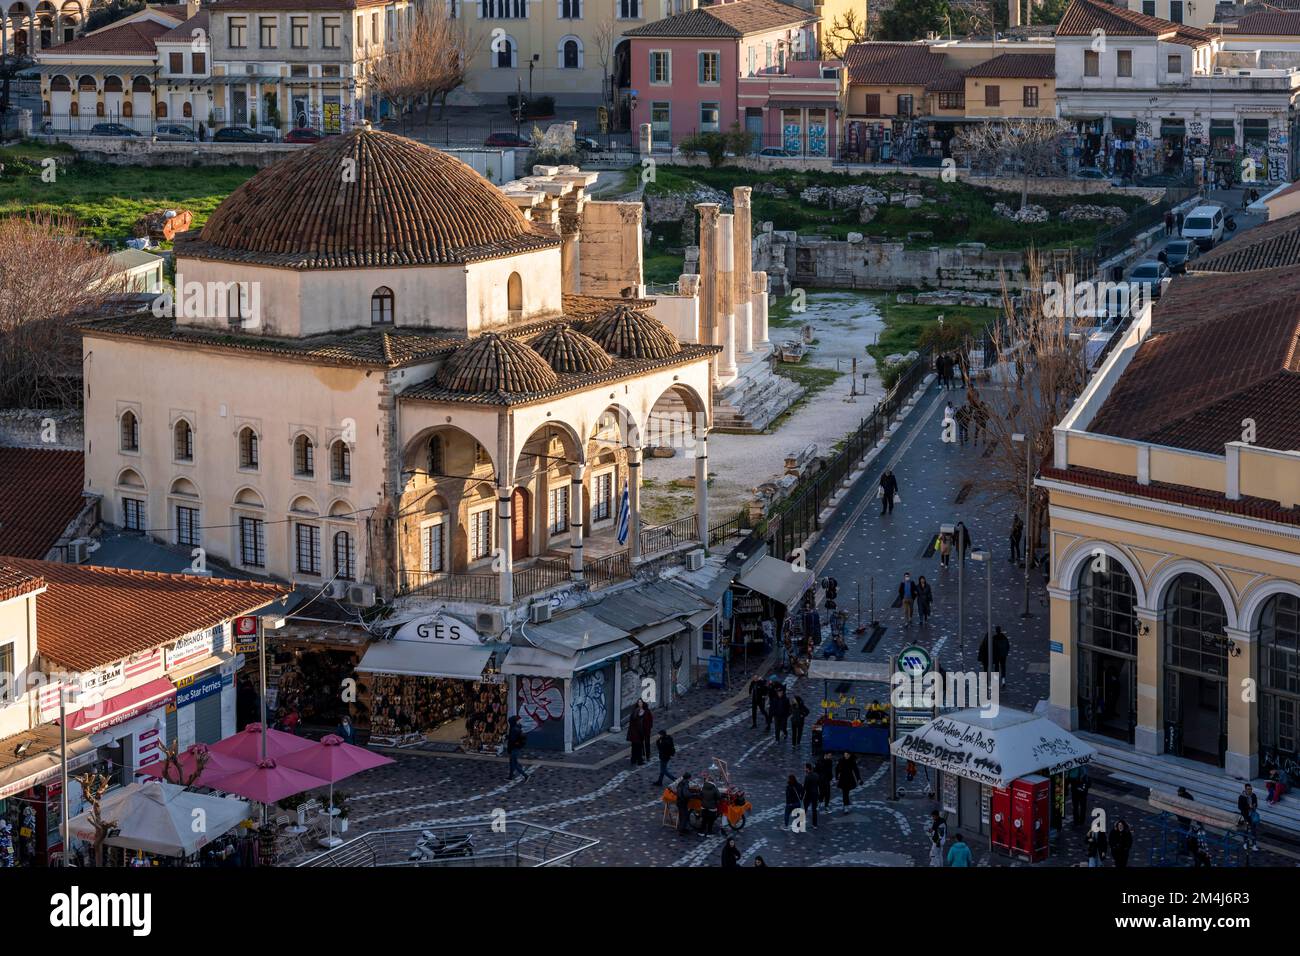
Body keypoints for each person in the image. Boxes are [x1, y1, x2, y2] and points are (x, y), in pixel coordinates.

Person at [506, 715, 529, 781]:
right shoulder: (516, 728)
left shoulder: (513, 729)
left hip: (514, 748)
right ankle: (510, 776)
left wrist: (508, 738)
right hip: (515, 748)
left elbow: (512, 740)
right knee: (511, 763)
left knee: (514, 764)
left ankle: (526, 776)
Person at [1238, 782, 1260, 850]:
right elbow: (1239, 807)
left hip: (1252, 815)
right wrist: (1248, 807)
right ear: (1245, 789)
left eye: (1251, 789)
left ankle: (1254, 845)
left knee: (1254, 830)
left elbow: (1256, 804)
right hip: (1245, 815)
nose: (1250, 790)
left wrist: (1254, 806)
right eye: (1248, 789)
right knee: (1246, 830)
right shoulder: (1242, 797)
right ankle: (1245, 843)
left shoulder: (1253, 795)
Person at [627, 700, 648, 765]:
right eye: (639, 702)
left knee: (634, 747)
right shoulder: (637, 713)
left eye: (641, 702)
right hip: (637, 734)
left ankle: (634, 760)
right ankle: (639, 760)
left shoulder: (634, 712)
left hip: (634, 734)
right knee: (638, 748)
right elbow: (639, 725)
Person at [802, 762, 820, 829]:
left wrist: (801, 796)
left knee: (804, 809)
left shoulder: (807, 777)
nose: (804, 769)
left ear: (807, 768)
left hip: (808, 795)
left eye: (805, 768)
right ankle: (815, 825)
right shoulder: (816, 775)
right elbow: (818, 784)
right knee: (814, 810)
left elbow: (805, 788)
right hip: (815, 794)